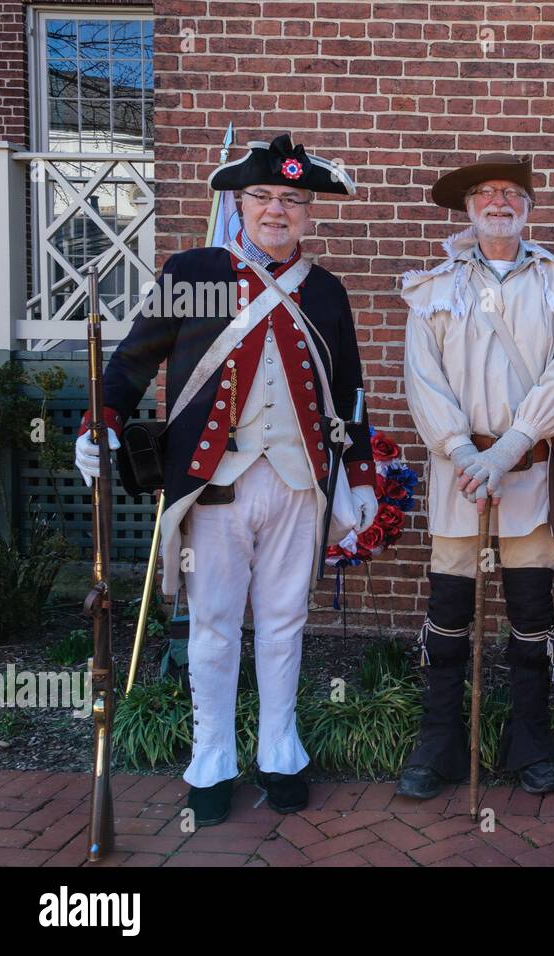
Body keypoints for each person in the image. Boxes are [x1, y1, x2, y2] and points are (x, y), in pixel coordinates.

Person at [74, 133, 378, 825]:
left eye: (293, 200)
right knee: (212, 627)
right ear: (240, 202)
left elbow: (350, 397)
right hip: (213, 483)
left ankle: (280, 752)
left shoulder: (325, 291)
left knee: (284, 625)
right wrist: (101, 424)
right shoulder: (195, 269)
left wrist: (357, 476)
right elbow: (131, 361)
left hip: (300, 484)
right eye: (265, 197)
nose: (278, 210)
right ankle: (211, 759)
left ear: (309, 212)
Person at [398, 154, 554, 798]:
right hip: (460, 476)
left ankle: (530, 739)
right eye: (485, 193)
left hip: (527, 475)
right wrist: (463, 451)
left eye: (512, 192)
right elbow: (422, 380)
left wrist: (505, 451)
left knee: (532, 615)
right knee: (450, 611)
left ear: (529, 206)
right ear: (468, 208)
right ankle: (441, 741)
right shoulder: (432, 289)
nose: (498, 202)